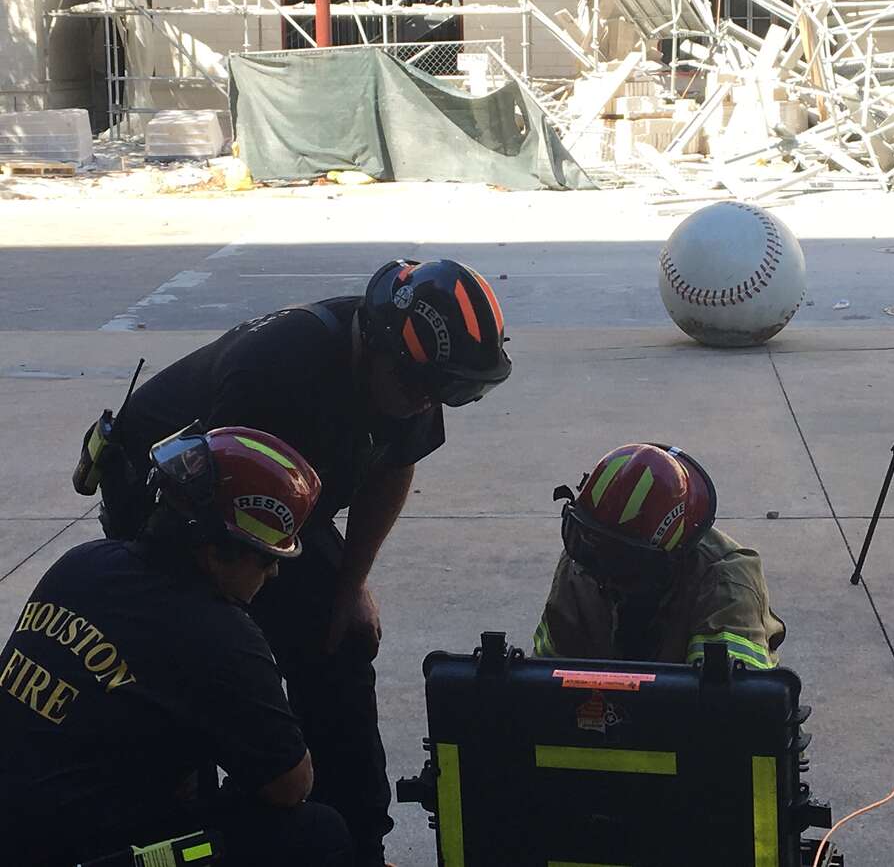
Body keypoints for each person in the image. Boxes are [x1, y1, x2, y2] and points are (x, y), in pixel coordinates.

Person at [76, 258, 512, 866]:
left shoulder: (413, 376)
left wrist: (349, 588)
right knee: (203, 663)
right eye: (421, 390)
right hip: (175, 506)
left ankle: (358, 841)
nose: (426, 405)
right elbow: (215, 547)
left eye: (451, 394)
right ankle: (207, 820)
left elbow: (393, 465)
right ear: (375, 348)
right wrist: (237, 652)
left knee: (343, 641)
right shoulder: (278, 372)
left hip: (270, 499)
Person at [0, 424, 352, 867]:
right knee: (318, 834)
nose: (273, 574)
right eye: (265, 558)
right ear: (216, 550)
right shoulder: (220, 637)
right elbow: (290, 784)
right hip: (78, 853)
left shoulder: (83, 563)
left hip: (20, 827)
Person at [533, 443, 786, 668]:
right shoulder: (582, 559)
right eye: (592, 543)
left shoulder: (728, 582)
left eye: (621, 559)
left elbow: (735, 704)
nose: (603, 572)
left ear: (674, 555)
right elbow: (545, 676)